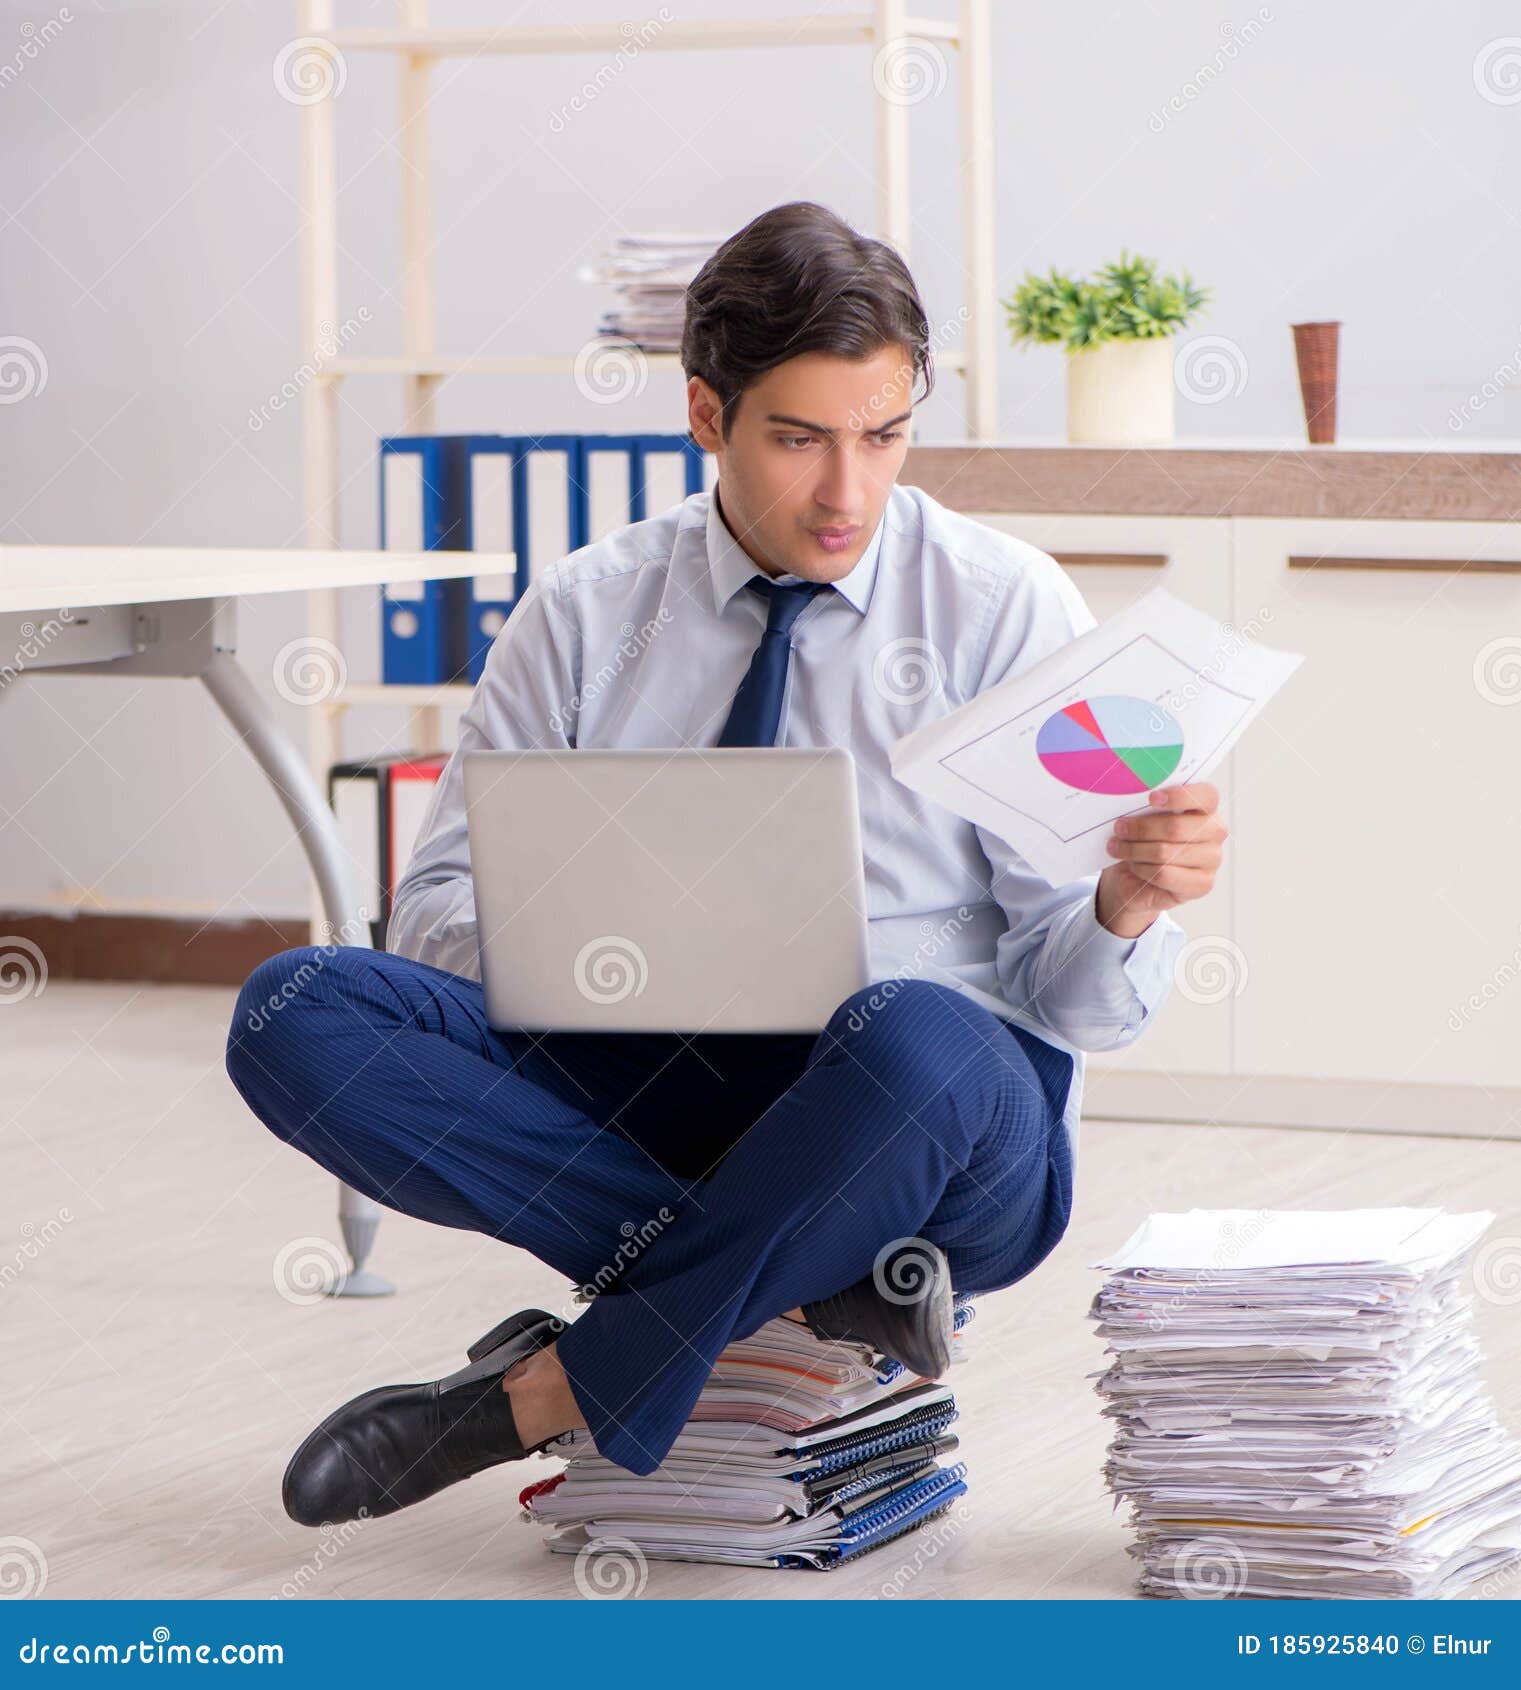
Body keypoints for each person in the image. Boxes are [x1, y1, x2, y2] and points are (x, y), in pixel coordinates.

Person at [224, 200, 1227, 1528]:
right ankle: (817, 1277)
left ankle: (533, 1395)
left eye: (883, 437)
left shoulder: (1003, 605)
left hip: (935, 1135)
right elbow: (433, 914)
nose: (846, 492)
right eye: (800, 439)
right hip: (656, 1083)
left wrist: (1124, 901)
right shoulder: (583, 613)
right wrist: (585, 941)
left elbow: (1083, 1002)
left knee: (912, 1029)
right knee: (295, 1011)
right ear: (705, 415)